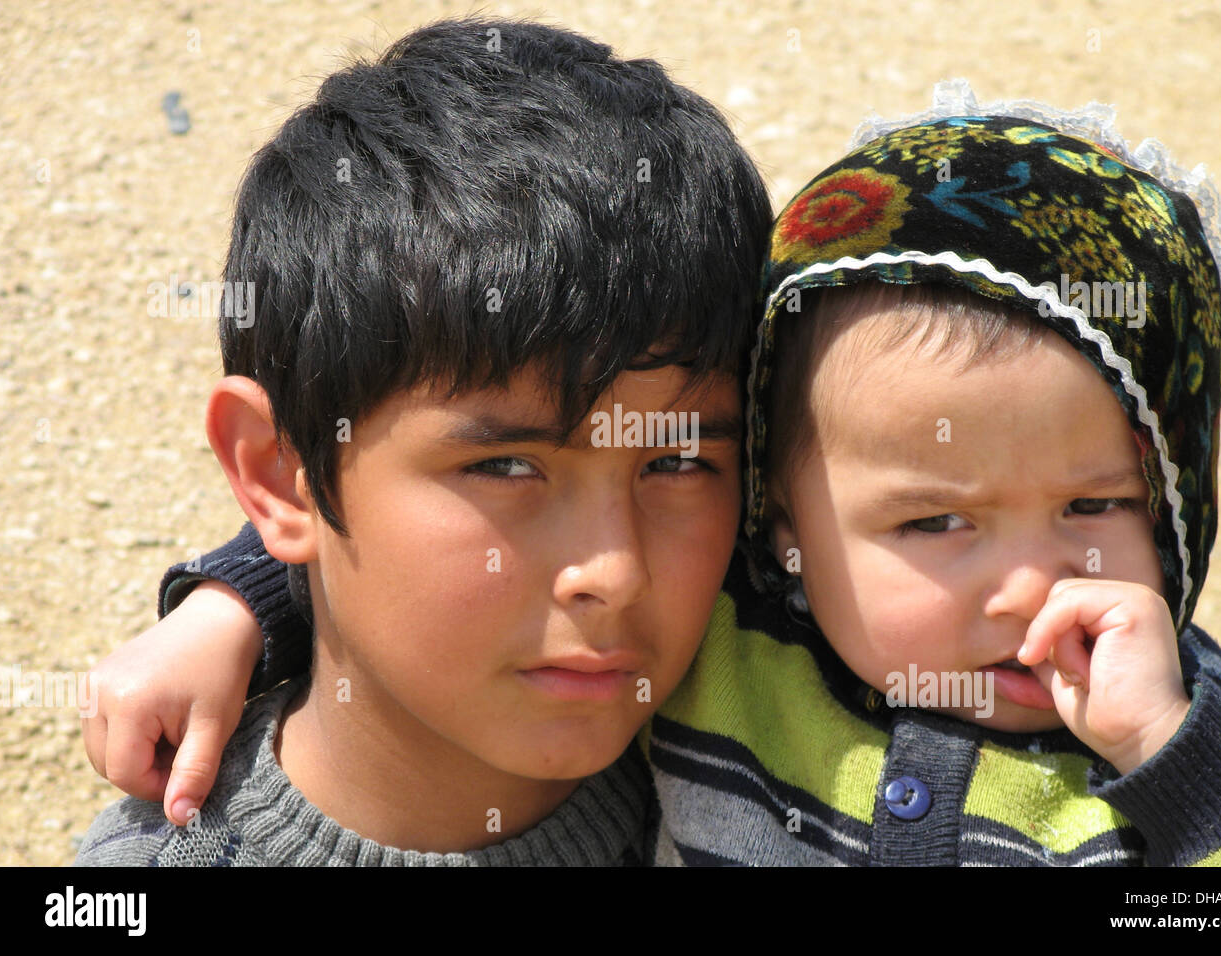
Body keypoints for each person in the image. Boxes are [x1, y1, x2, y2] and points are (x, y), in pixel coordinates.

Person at [82, 83, 1221, 866]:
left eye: (1098, 506)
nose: (1031, 582)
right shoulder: (721, 639)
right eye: (931, 519)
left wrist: (1174, 758)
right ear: (789, 530)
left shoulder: (1168, 721)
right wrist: (238, 596)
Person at [74, 16, 772, 866]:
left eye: (675, 462)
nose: (616, 575)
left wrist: (239, 601)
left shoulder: (790, 762)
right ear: (278, 474)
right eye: (505, 465)